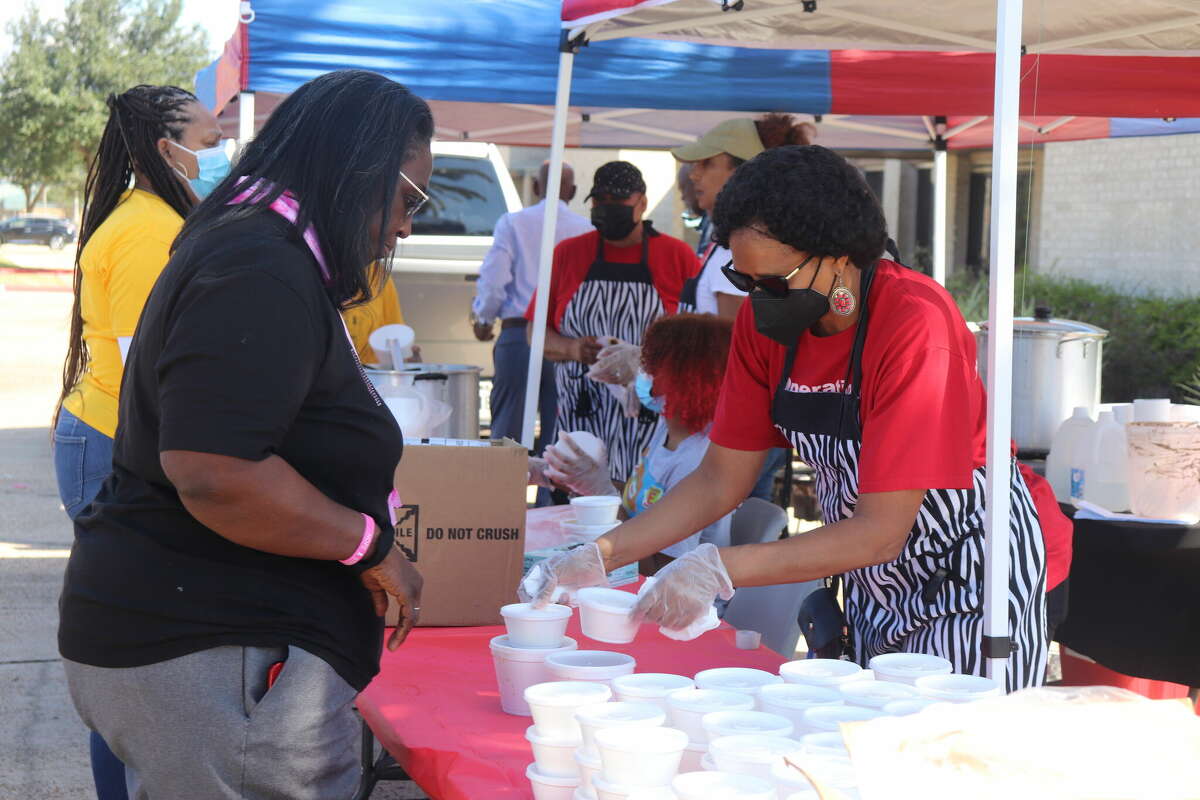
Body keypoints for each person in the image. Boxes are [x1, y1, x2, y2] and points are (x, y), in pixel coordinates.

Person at [525, 145, 1073, 691]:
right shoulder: (765, 327)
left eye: (773, 282)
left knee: (950, 736)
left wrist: (717, 568)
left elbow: (882, 530)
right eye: (745, 281)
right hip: (870, 572)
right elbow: (719, 480)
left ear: (838, 257)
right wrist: (602, 553)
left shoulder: (915, 324)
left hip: (969, 576)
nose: (758, 299)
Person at [58, 70, 430, 799]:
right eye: (410, 198)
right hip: (211, 649)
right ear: (357, 172)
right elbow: (217, 469)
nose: (406, 226)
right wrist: (370, 546)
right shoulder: (259, 265)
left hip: (213, 644)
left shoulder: (264, 252)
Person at [51, 84, 224, 800]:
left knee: (138, 645)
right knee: (130, 652)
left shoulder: (158, 218)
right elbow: (140, 368)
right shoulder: (147, 231)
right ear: (166, 148)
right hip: (112, 442)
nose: (222, 153)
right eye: (211, 142)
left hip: (115, 438)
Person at [528, 160, 698, 484]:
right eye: (600, 200)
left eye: (618, 200)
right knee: (574, 501)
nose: (607, 207)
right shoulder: (568, 254)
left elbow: (698, 344)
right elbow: (535, 332)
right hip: (582, 418)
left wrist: (640, 361)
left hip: (649, 421)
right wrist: (574, 349)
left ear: (642, 203)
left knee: (640, 502)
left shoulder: (678, 257)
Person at [540, 314, 735, 571]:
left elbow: (660, 569)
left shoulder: (696, 459)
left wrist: (602, 493)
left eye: (649, 365)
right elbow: (641, 502)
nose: (641, 373)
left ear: (682, 377)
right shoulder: (669, 429)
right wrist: (570, 476)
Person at [471, 161, 592, 444]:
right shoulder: (587, 230)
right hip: (566, 343)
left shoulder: (512, 223)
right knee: (560, 440)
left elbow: (494, 280)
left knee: (507, 439)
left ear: (537, 187)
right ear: (573, 191)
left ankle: (504, 477)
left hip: (518, 335)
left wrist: (484, 318)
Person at [672, 114, 816, 319]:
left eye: (707, 163)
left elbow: (732, 336)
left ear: (742, 172)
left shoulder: (739, 251)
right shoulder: (737, 243)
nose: (694, 174)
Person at [343, 263, 421, 364]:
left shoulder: (379, 275)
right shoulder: (324, 273)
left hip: (372, 371)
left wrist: (407, 361)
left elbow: (395, 338)